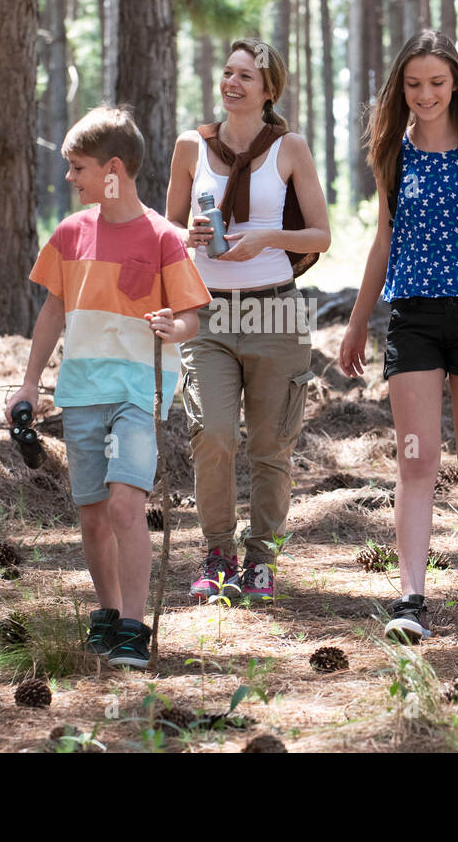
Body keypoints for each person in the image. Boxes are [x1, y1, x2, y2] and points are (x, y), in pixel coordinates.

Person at [7, 106, 209, 667]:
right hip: (80, 394)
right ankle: (106, 611)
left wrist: (177, 325)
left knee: (125, 507)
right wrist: (29, 382)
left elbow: (194, 317)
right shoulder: (70, 235)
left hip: (138, 395)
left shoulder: (165, 238)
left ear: (113, 169)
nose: (70, 178)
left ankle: (133, 628)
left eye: (78, 167)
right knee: (93, 512)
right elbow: (53, 310)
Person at [338, 29, 458, 641]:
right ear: (400, 88)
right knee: (417, 461)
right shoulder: (392, 150)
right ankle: (411, 598)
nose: (425, 95)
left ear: (457, 84)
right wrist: (359, 321)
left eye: (437, 83)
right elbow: (383, 240)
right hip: (411, 317)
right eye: (413, 84)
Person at [166, 38, 330, 603]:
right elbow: (168, 234)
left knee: (270, 445)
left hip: (275, 309)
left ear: (268, 89)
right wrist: (189, 236)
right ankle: (217, 553)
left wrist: (267, 236)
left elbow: (320, 235)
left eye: (245, 76)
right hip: (207, 312)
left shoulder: (289, 148)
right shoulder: (191, 146)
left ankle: (262, 558)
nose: (231, 83)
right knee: (211, 434)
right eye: (227, 72)